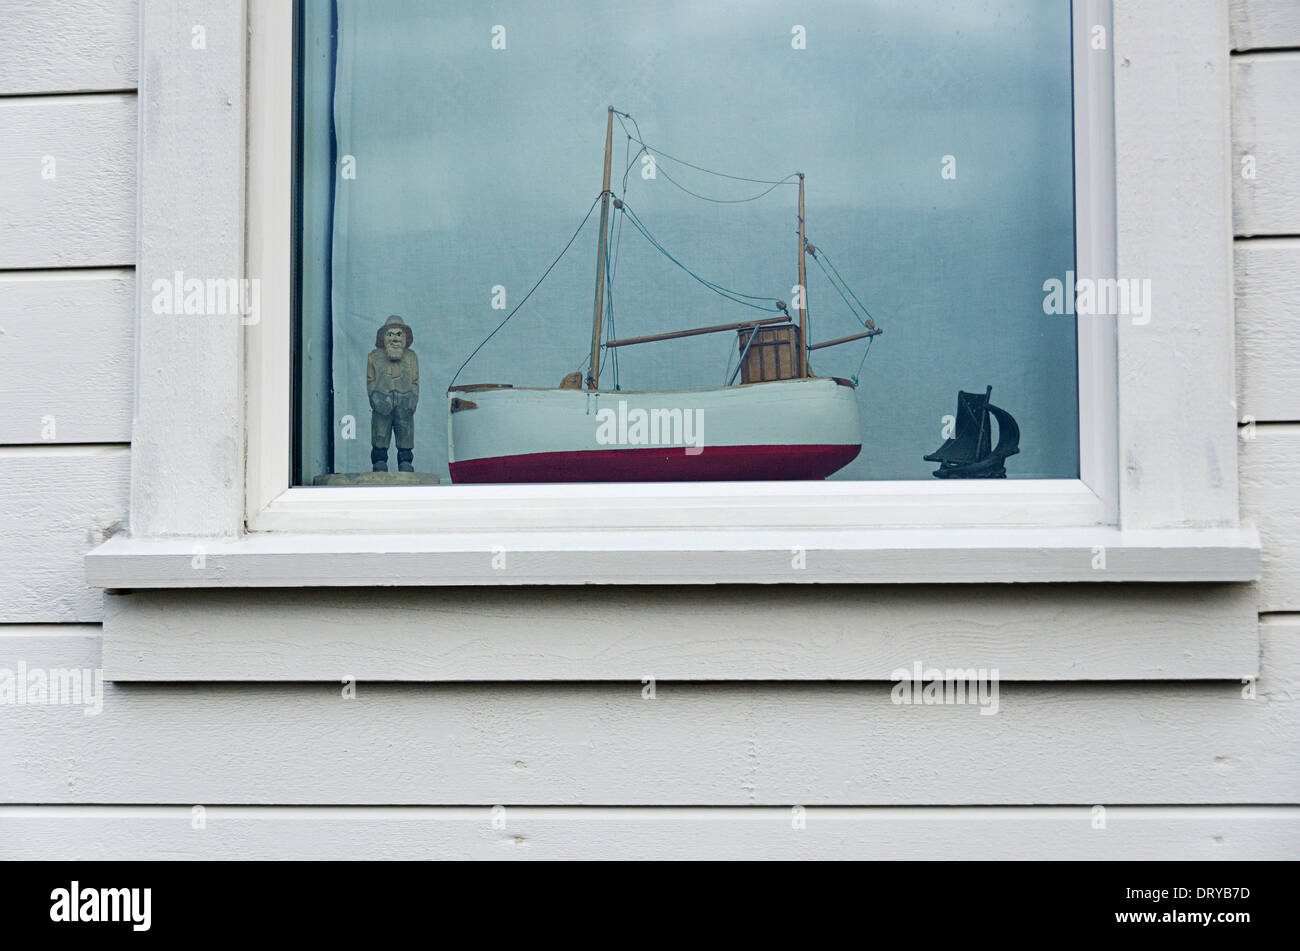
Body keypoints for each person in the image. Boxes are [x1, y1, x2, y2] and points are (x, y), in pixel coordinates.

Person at [367, 315, 419, 472]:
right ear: (383, 338)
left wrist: (412, 399)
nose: (394, 338)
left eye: (399, 334)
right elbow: (370, 380)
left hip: (404, 401)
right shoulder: (374, 357)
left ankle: (405, 461)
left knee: (405, 432)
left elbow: (415, 381)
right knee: (380, 431)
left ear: (405, 338)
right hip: (382, 401)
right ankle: (379, 460)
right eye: (390, 334)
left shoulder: (411, 357)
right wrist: (375, 397)